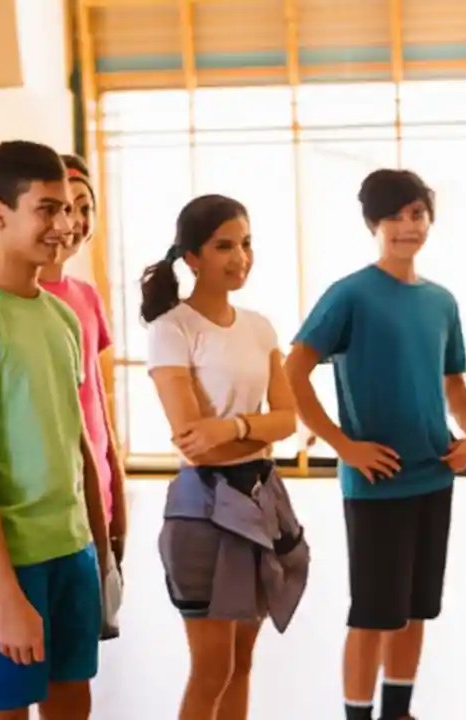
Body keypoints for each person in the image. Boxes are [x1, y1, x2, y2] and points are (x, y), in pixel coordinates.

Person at [285, 168, 466, 720]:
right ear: (373, 223)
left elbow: (454, 381)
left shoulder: (441, 301)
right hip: (375, 483)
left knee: (416, 611)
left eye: (416, 214)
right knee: (372, 615)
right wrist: (345, 446)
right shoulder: (350, 294)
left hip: (433, 476)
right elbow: (293, 371)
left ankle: (399, 711)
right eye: (393, 216)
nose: (406, 226)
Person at [0, 140, 110, 719]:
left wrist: (101, 553)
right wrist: (7, 597)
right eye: (47, 208)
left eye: (68, 209)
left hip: (71, 555)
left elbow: (76, 441)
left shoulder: (61, 316)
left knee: (72, 707)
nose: (64, 224)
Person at [142, 194, 305, 720]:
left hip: (261, 500)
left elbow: (289, 419)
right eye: (224, 246)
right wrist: (251, 433)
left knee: (241, 663)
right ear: (192, 258)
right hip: (204, 508)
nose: (240, 257)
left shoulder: (259, 327)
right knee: (211, 666)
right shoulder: (172, 329)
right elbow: (191, 437)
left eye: (246, 243)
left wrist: (233, 427)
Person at [35, 154, 128, 634]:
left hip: (99, 493)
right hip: (54, 503)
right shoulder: (20, 302)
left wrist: (117, 483)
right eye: (63, 207)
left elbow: (97, 399)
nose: (73, 220)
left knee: (83, 657)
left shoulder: (86, 296)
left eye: (83, 207)